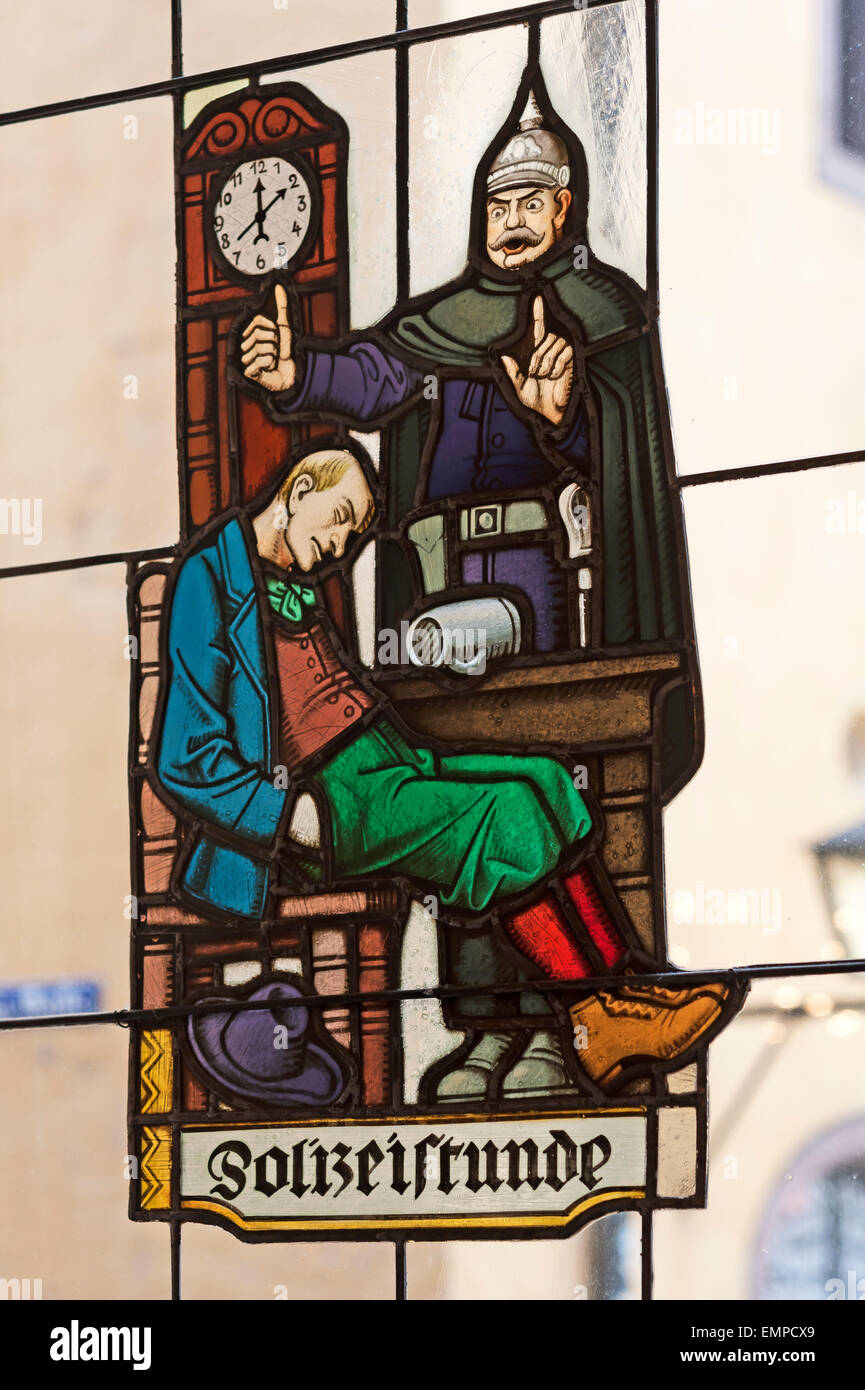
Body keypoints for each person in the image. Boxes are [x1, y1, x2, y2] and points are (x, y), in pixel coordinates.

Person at [154, 446, 737, 1101]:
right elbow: (187, 757)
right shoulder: (210, 577)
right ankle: (592, 1021)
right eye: (338, 517)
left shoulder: (291, 580)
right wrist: (286, 816)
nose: (339, 544)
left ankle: (621, 993)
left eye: (352, 535)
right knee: (506, 817)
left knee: (546, 784)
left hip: (382, 766)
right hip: (327, 806)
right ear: (295, 492)